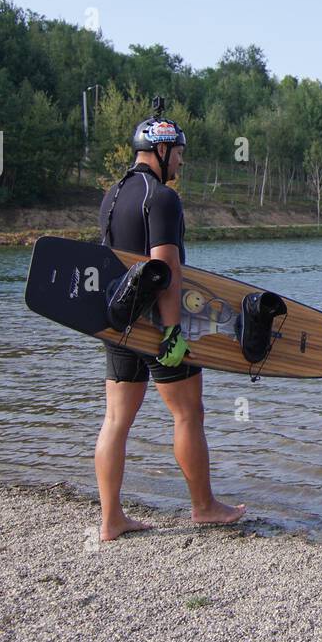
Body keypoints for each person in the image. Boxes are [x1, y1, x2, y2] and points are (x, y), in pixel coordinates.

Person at [94, 103, 245, 540]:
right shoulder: (162, 198)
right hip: (159, 327)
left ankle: (111, 519)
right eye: (178, 151)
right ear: (160, 149)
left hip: (117, 320)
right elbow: (165, 269)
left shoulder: (113, 195)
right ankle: (204, 506)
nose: (181, 159)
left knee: (116, 419)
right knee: (188, 413)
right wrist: (174, 330)